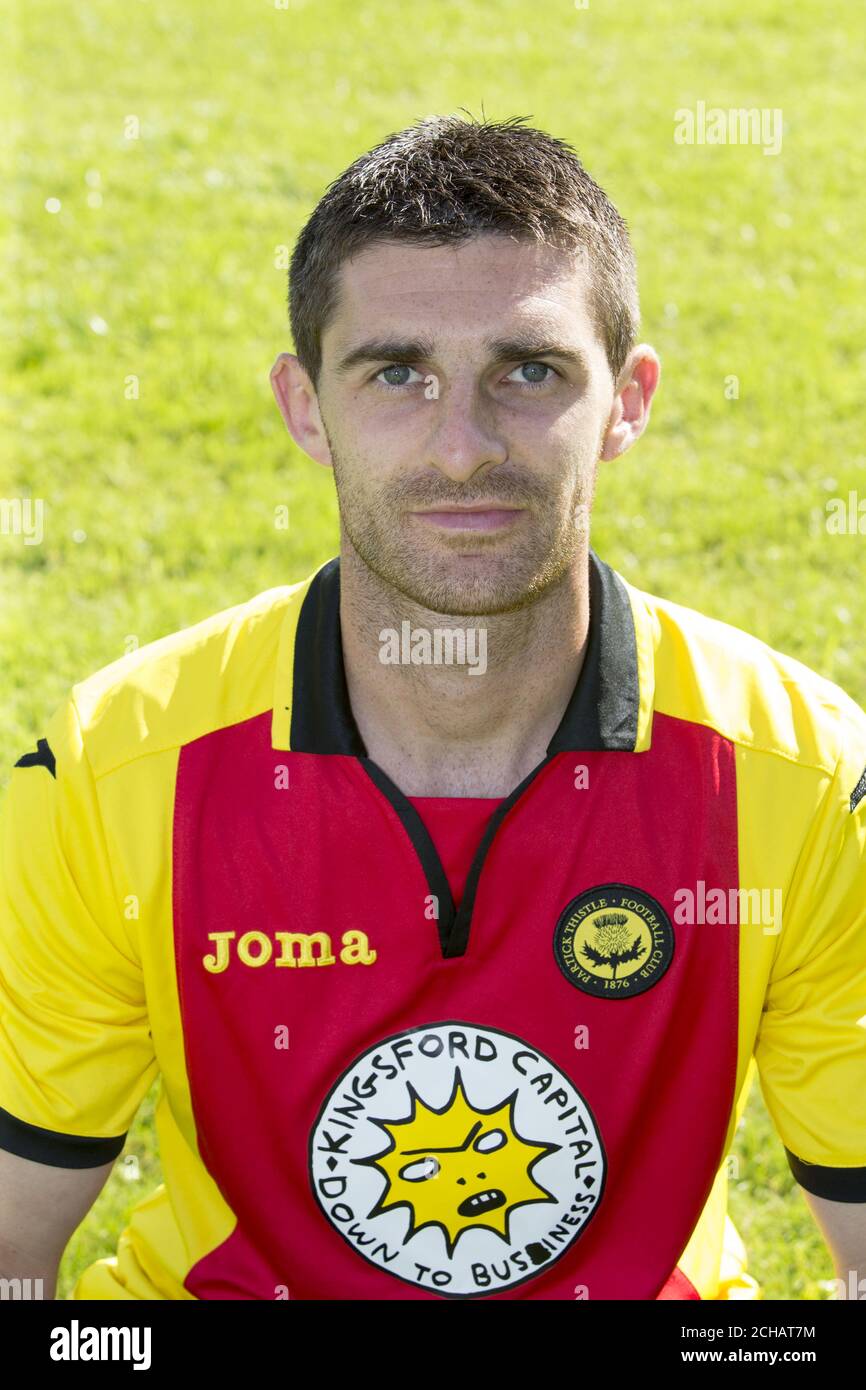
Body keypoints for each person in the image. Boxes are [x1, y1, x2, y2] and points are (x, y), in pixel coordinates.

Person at [1, 114, 865, 1302]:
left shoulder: (800, 774)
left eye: (528, 371)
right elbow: (9, 1246)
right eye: (396, 372)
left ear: (626, 401)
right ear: (306, 407)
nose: (461, 450)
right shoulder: (115, 768)